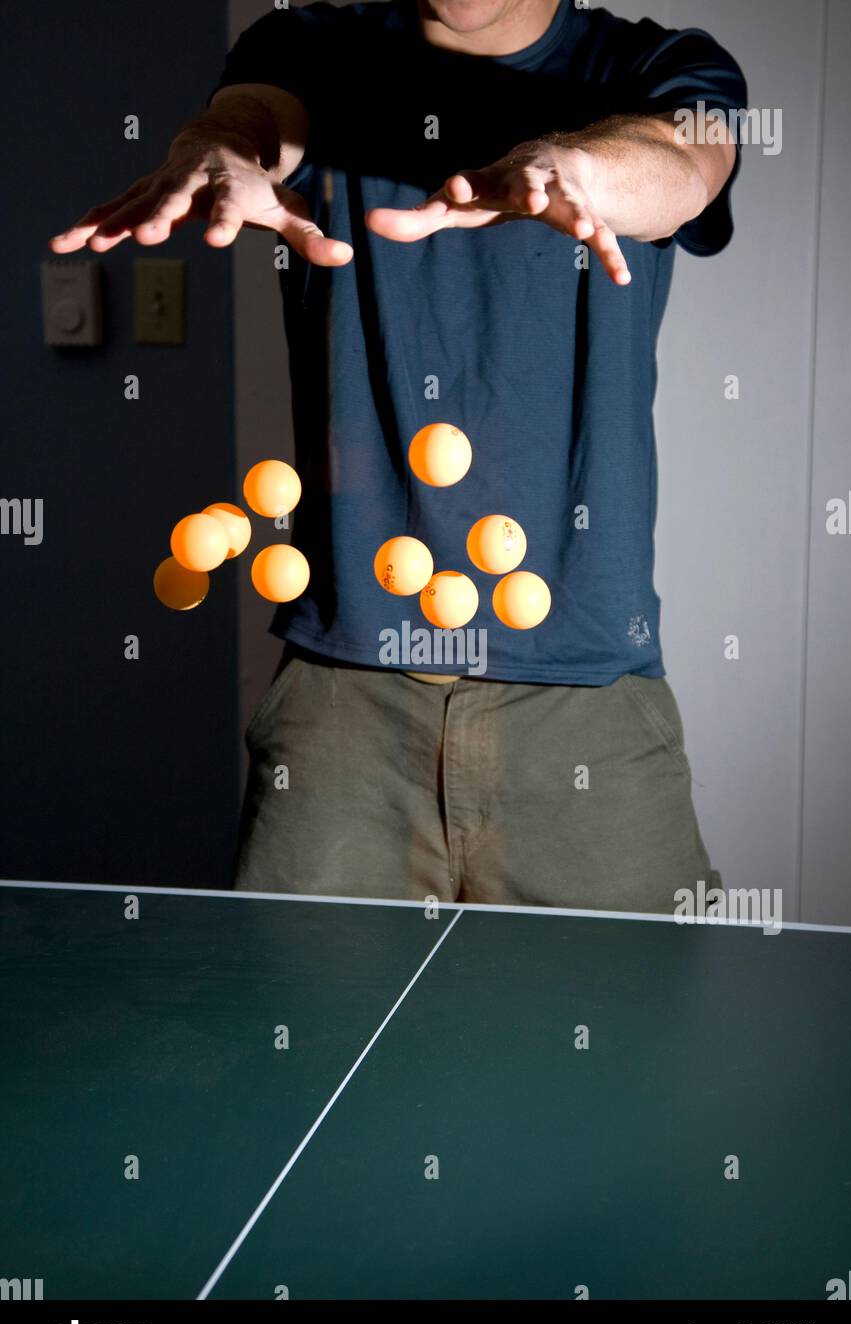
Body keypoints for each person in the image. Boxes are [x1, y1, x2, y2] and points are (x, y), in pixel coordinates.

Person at [52, 0, 747, 912]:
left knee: (642, 1044)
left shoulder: (662, 66)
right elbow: (258, 121)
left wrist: (574, 166)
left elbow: (684, 164)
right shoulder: (305, 47)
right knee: (301, 1050)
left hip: (589, 709)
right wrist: (217, 148)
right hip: (341, 709)